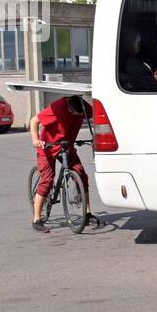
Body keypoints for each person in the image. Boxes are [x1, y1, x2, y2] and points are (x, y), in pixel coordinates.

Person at [29, 94, 101, 234]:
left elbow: (98, 116)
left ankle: (87, 214)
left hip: (66, 146)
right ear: (68, 106)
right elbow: (34, 121)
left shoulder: (84, 107)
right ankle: (36, 219)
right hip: (47, 147)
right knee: (47, 180)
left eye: (79, 114)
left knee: (81, 175)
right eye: (74, 113)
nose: (76, 115)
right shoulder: (57, 107)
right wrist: (35, 139)